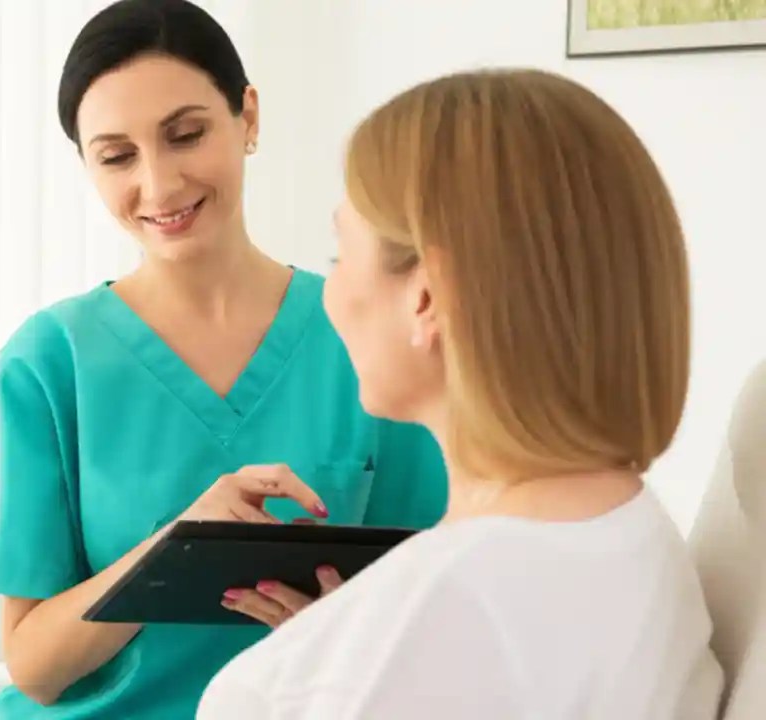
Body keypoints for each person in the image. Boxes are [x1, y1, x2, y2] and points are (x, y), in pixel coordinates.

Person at [0, 1, 447, 717]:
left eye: (186, 135)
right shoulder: (49, 363)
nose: (160, 184)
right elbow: (36, 670)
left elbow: (431, 602)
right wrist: (178, 548)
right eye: (117, 156)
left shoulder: (364, 331)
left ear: (248, 118)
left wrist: (338, 635)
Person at [197, 68, 725, 719]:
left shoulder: (301, 684)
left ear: (427, 298)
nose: (329, 291)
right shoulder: (639, 539)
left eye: (340, 256)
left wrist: (350, 659)